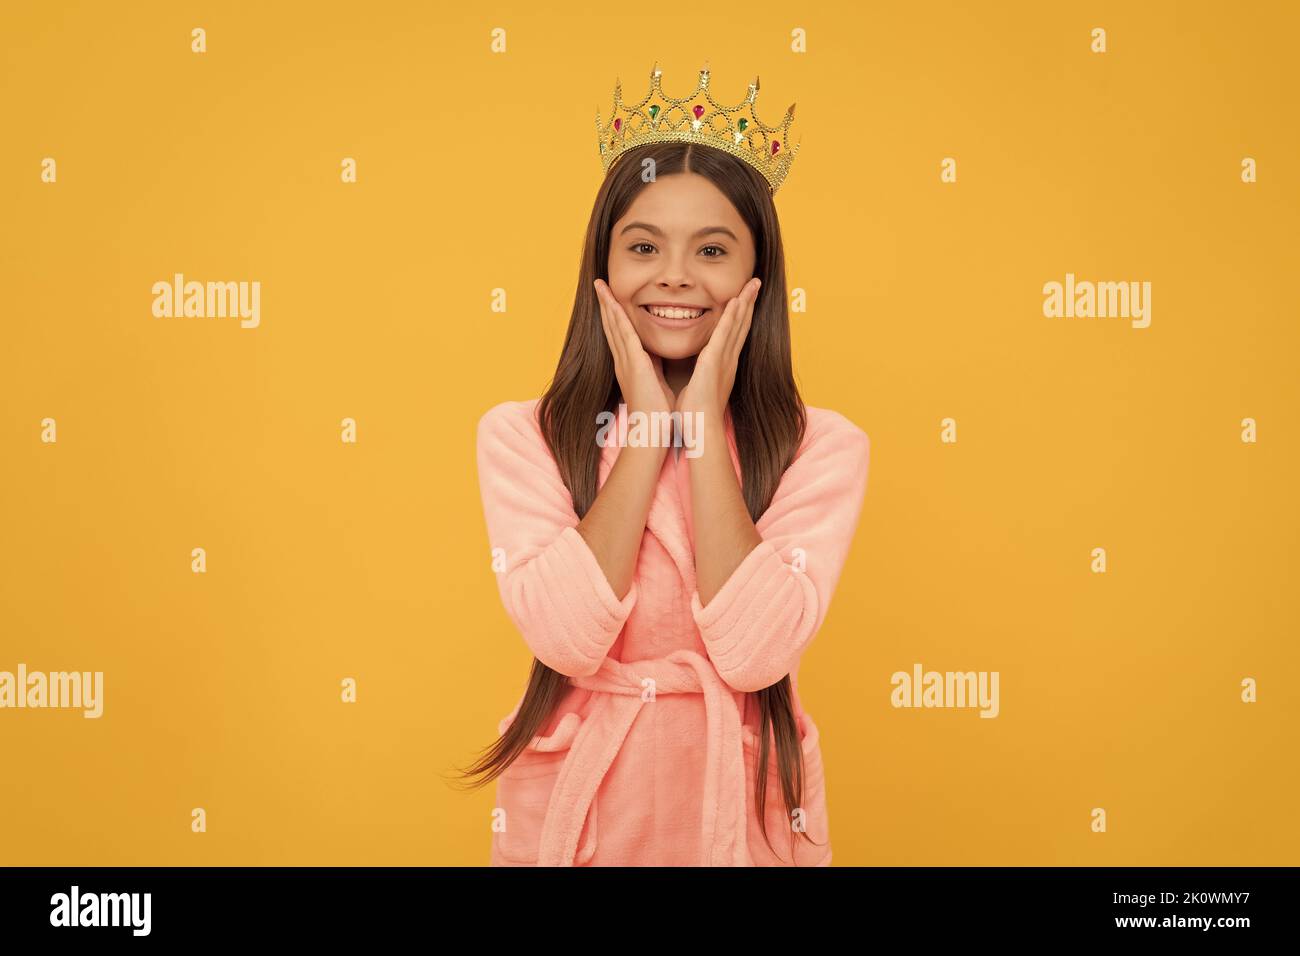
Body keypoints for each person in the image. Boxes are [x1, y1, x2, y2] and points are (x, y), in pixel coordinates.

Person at [456, 65, 870, 866]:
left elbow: (753, 656)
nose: (676, 275)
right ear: (602, 269)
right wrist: (647, 428)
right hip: (579, 813)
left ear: (759, 277)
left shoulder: (820, 447)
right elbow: (568, 640)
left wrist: (704, 431)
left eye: (711, 249)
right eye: (644, 246)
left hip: (738, 812)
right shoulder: (522, 436)